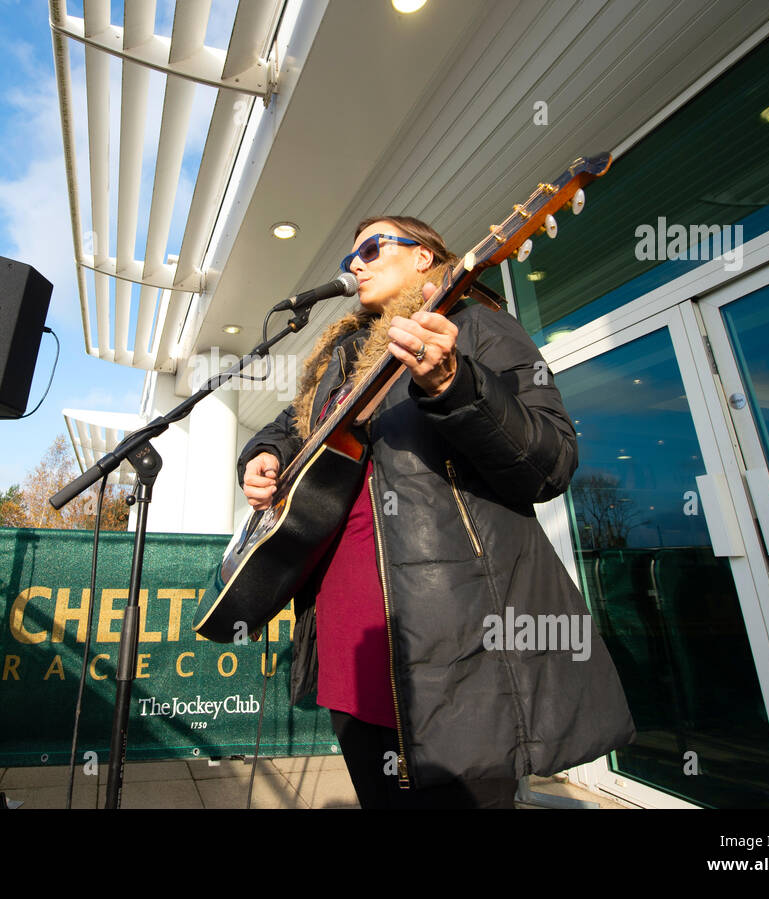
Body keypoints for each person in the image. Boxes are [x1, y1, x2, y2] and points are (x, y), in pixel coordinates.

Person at [237, 215, 636, 809]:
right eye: (350, 257)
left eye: (372, 248)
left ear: (424, 257)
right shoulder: (341, 358)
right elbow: (289, 426)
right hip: (346, 636)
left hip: (453, 643)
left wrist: (457, 385)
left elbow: (552, 461)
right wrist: (264, 453)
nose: (355, 264)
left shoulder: (475, 326)